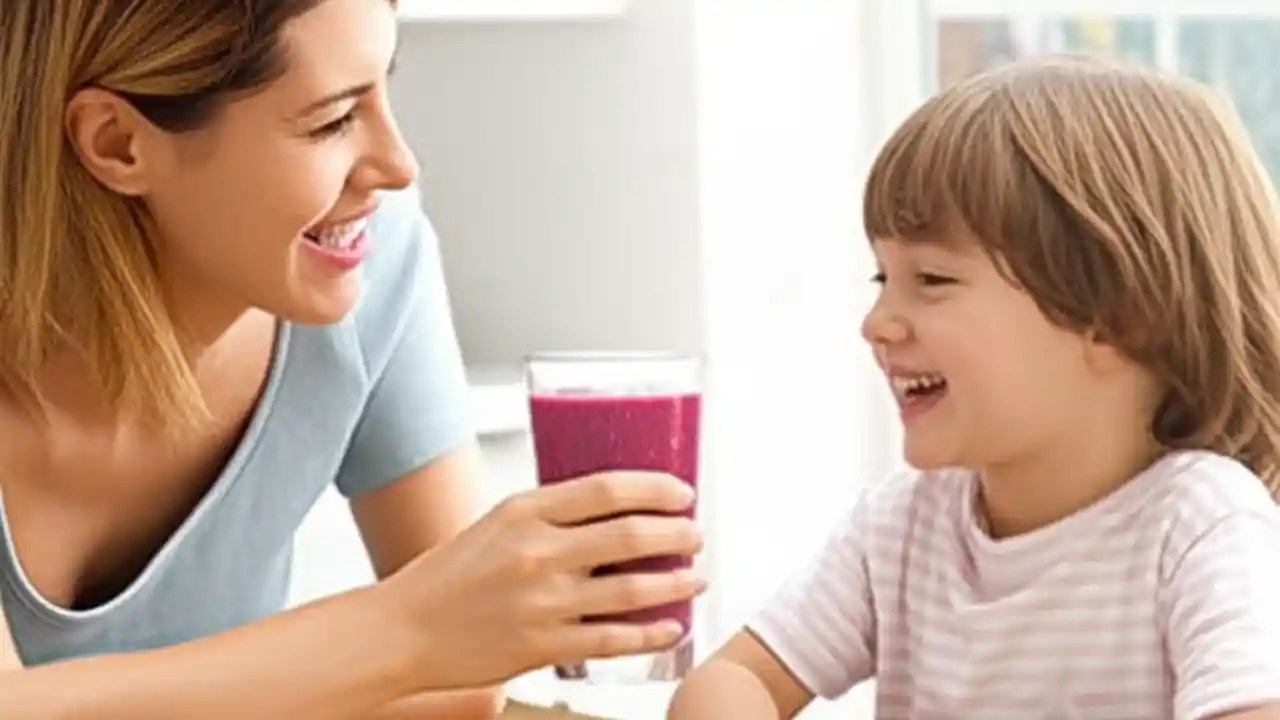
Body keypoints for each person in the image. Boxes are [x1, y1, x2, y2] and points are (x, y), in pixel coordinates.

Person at [0, 0, 705, 717]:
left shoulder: (369, 266)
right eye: (332, 121)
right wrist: (410, 627)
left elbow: (457, 690)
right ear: (119, 142)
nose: (398, 166)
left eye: (383, 89)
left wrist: (438, 634)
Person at [669, 55, 1280, 719]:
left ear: (1115, 320)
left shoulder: (1200, 526)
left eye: (931, 280)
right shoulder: (903, 527)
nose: (877, 324)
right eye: (882, 279)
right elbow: (734, 680)